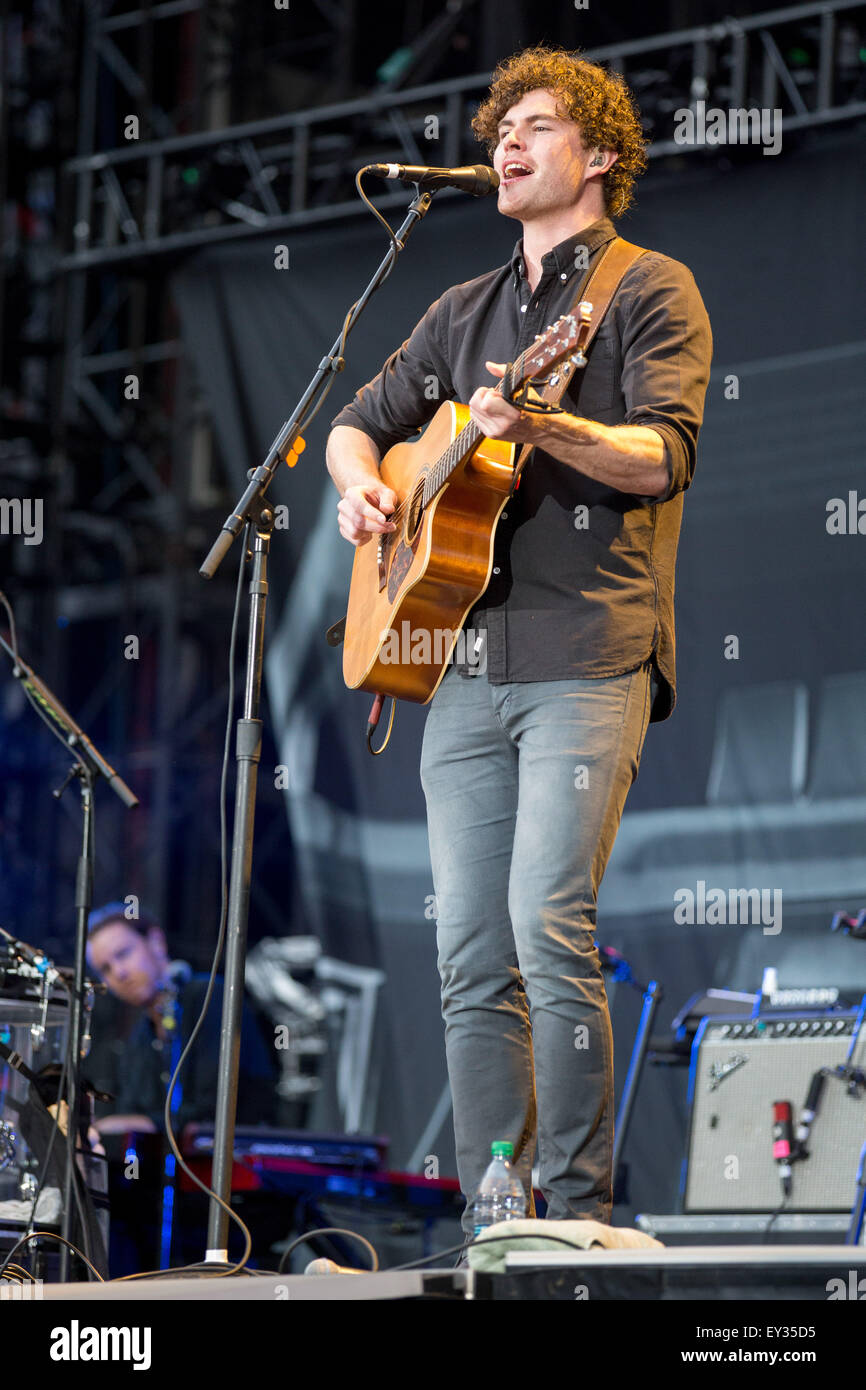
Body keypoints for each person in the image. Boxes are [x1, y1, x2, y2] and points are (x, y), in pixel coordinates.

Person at [326, 45, 712, 1238]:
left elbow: (661, 455)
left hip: (587, 653)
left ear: (597, 156)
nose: (504, 141)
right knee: (467, 952)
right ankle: (499, 1202)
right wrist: (364, 495)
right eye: (499, 125)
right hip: (461, 672)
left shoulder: (648, 288)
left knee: (548, 922)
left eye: (534, 125)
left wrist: (542, 422)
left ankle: (578, 1210)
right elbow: (353, 423)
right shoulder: (460, 309)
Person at [85, 903, 277, 1137]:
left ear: (156, 942)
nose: (119, 973)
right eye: (105, 969)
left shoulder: (209, 997)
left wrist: (143, 1122)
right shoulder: (138, 1039)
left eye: (123, 954)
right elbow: (132, 1109)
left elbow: (217, 1107)